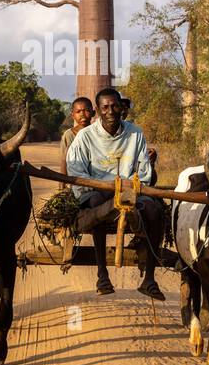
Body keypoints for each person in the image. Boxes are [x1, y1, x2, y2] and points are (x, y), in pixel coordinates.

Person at [65, 87, 167, 300]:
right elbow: (77, 174)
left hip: (133, 191)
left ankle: (149, 279)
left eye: (114, 106)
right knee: (96, 203)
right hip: (97, 191)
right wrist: (107, 187)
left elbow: (145, 173)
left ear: (122, 108)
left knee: (155, 209)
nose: (110, 111)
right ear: (97, 111)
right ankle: (102, 275)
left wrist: (129, 186)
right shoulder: (84, 137)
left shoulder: (135, 133)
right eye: (105, 107)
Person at [59, 97, 93, 175]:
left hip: (95, 177)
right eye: (78, 111)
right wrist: (62, 183)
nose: (82, 114)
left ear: (93, 113)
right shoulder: (69, 135)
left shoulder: (97, 133)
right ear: (73, 115)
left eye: (86, 111)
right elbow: (64, 160)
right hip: (74, 178)